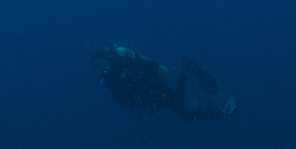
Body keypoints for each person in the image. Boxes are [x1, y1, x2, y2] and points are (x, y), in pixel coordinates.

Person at [92, 45, 237, 120]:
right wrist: (138, 106)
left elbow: (149, 69)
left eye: (101, 62)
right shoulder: (109, 80)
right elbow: (123, 99)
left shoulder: (123, 64)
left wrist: (148, 95)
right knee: (183, 110)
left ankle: (221, 113)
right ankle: (216, 109)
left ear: (108, 59)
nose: (100, 67)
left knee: (184, 112)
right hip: (151, 97)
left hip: (156, 90)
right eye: (97, 65)